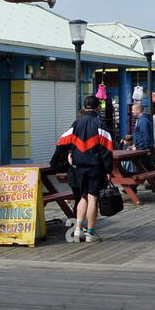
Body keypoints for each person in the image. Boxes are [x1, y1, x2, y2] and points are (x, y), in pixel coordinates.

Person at [56, 94, 114, 243]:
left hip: (78, 167)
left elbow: (61, 142)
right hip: (95, 167)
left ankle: (78, 230)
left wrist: (71, 153)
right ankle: (90, 233)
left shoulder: (76, 124)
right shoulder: (100, 125)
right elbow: (107, 150)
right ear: (97, 108)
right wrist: (108, 170)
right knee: (93, 198)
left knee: (82, 197)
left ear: (84, 107)